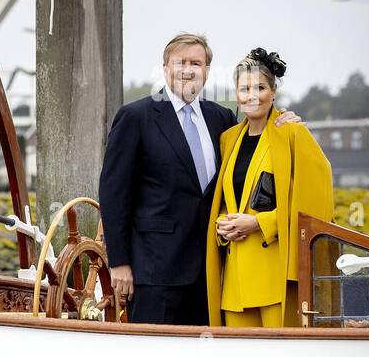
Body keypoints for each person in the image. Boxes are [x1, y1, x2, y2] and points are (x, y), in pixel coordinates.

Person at [98, 32, 299, 326]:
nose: (188, 69)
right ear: (165, 68)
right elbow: (114, 193)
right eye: (180, 62)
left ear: (206, 71)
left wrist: (283, 121)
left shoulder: (222, 119)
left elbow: (254, 143)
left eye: (197, 62)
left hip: (212, 270)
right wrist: (119, 262)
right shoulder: (135, 117)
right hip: (155, 272)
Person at [206, 48, 333, 328]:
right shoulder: (228, 139)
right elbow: (228, 197)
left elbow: (317, 207)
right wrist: (223, 225)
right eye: (244, 88)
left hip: (275, 277)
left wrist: (259, 223)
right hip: (235, 282)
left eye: (260, 87)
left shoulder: (294, 133)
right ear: (236, 95)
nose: (252, 95)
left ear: (273, 91)